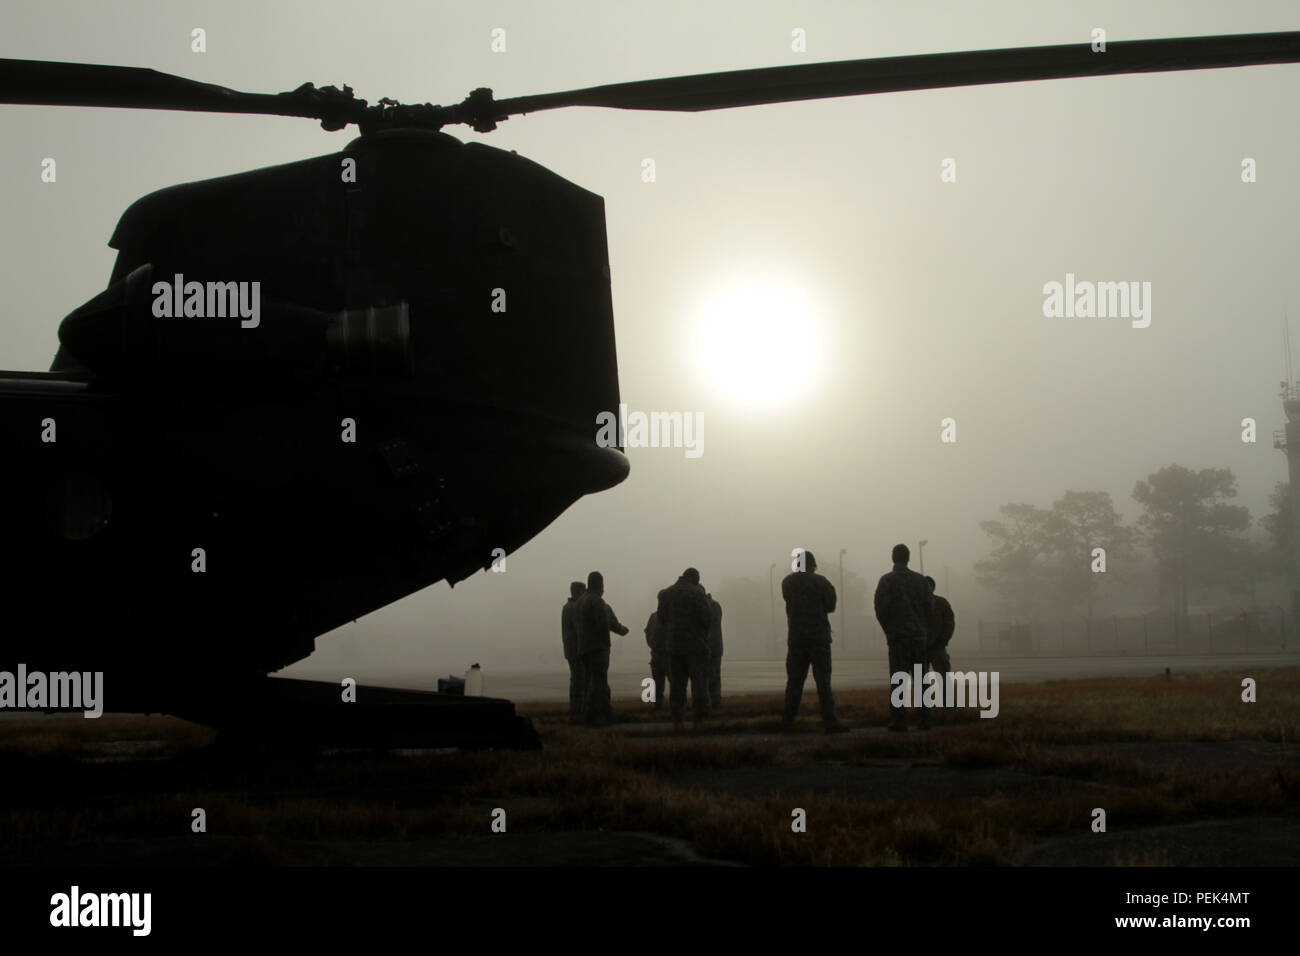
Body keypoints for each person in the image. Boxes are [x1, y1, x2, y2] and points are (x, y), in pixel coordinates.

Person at [781, 551, 849, 734]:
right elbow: (831, 606)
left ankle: (788, 720)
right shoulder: (821, 582)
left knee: (794, 681)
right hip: (818, 638)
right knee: (823, 681)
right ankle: (830, 720)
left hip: (796, 638)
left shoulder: (787, 583)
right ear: (813, 565)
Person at [874, 544, 933, 731]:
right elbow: (929, 608)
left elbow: (880, 609)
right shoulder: (921, 581)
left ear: (893, 558)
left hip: (898, 638)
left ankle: (900, 720)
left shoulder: (887, 581)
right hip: (918, 638)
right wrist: (923, 630)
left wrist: (889, 631)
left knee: (899, 679)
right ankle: (925, 718)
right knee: (921, 679)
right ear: (908, 558)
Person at [657, 568, 713, 730]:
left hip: (674, 647)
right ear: (695, 579)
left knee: (677, 686)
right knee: (699, 685)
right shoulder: (697, 593)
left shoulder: (667, 593)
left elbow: (661, 619)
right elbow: (707, 619)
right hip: (696, 646)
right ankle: (699, 721)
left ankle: (677, 721)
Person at [576, 570, 630, 727]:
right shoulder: (597, 601)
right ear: (600, 584)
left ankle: (595, 713)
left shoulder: (580, 602)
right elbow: (603, 624)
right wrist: (607, 644)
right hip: (597, 648)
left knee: (590, 682)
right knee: (599, 683)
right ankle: (598, 716)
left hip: (584, 648)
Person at [924, 576, 955, 708]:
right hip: (921, 647)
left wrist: (942, 641)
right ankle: (925, 707)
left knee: (942, 676)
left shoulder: (941, 603)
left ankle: (948, 705)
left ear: (932, 587)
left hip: (937, 647)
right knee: (921, 680)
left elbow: (949, 623)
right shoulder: (916, 603)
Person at [562, 581, 587, 721]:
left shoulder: (567, 607)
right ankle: (578, 710)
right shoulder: (574, 608)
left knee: (576, 680)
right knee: (579, 681)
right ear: (578, 592)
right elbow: (579, 629)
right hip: (576, 651)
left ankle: (576, 708)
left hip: (571, 650)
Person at [645, 610, 668, 710]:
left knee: (658, 683)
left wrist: (652, 645)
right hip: (669, 654)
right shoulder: (673, 615)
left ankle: (658, 705)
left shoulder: (653, 616)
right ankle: (677, 708)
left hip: (657, 653)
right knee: (676, 683)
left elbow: (647, 631)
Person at [706, 592, 723, 710]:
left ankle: (709, 702)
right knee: (715, 676)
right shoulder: (716, 606)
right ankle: (716, 702)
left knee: (707, 677)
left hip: (708, 647)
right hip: (716, 646)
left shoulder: (704, 606)